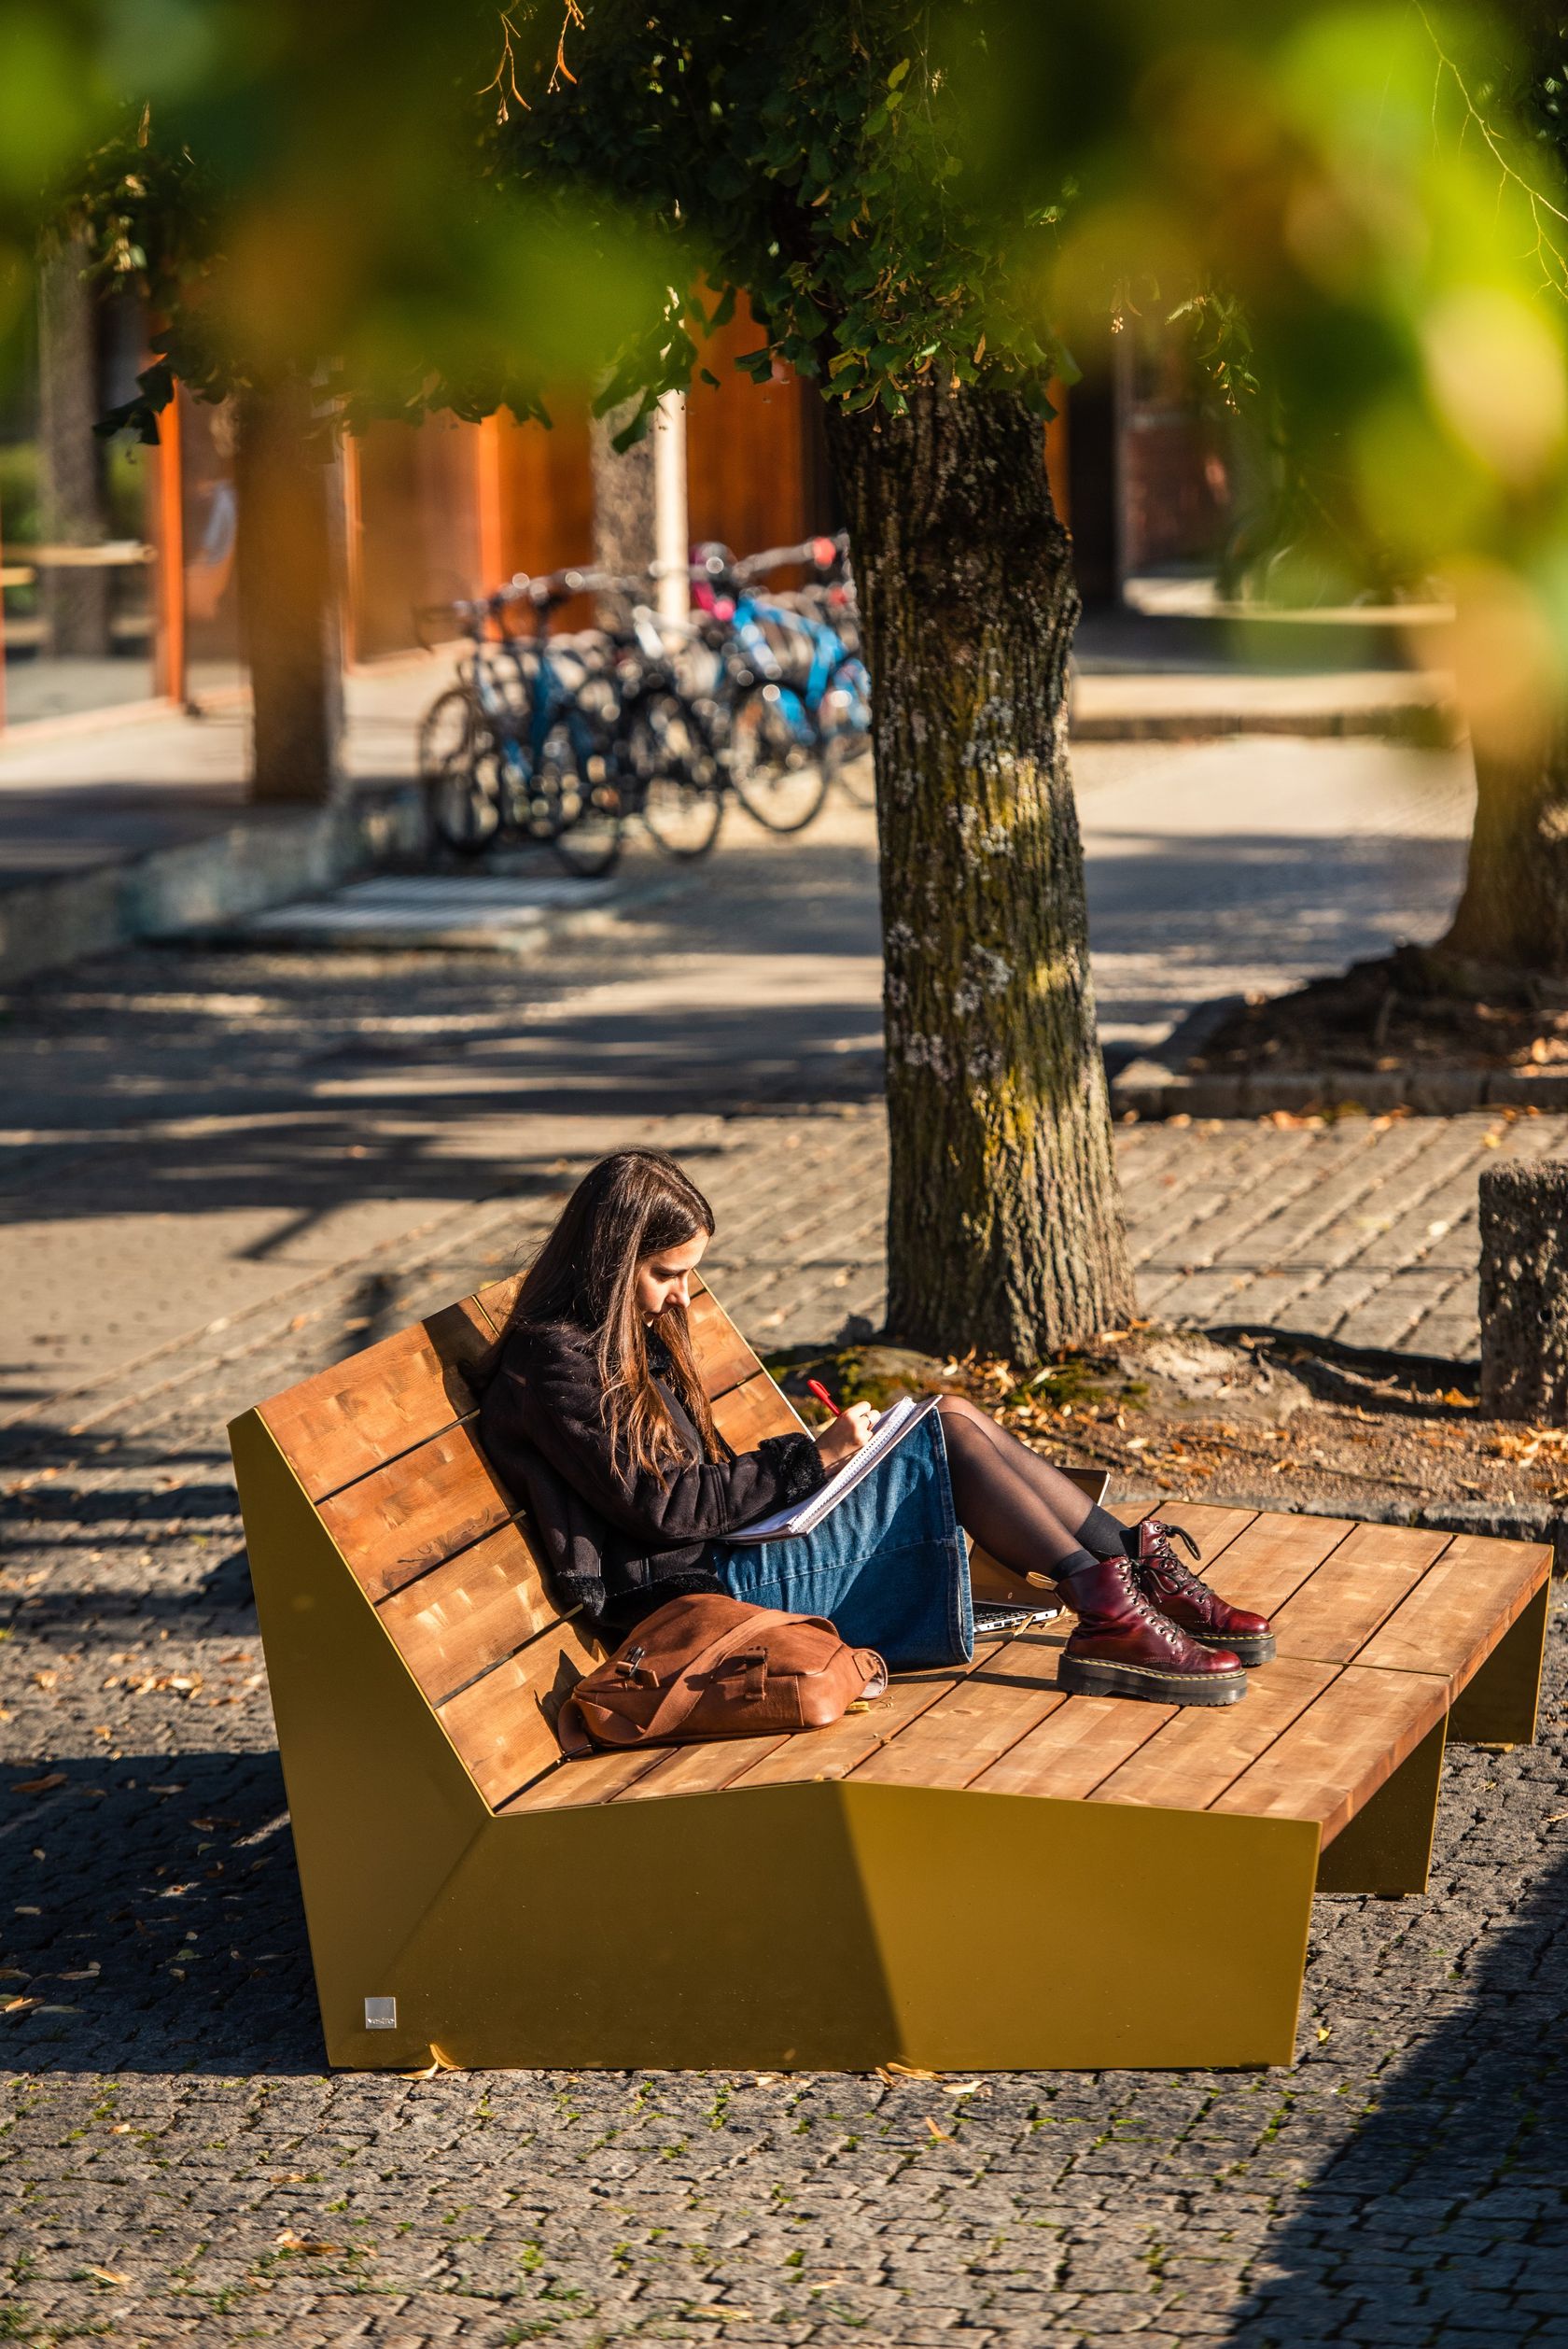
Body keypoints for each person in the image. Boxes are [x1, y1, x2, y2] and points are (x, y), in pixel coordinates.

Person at [478, 1150, 1274, 1707]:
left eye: (688, 1271)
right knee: (949, 1442)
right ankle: (1111, 1612)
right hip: (703, 1602)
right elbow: (662, 1510)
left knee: (948, 1414)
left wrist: (815, 1476)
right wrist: (808, 1462)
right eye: (667, 1274)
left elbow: (677, 1495)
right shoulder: (556, 1362)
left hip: (732, 1558)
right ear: (614, 1264)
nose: (685, 1295)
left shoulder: (618, 1336)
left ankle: (1131, 1566)